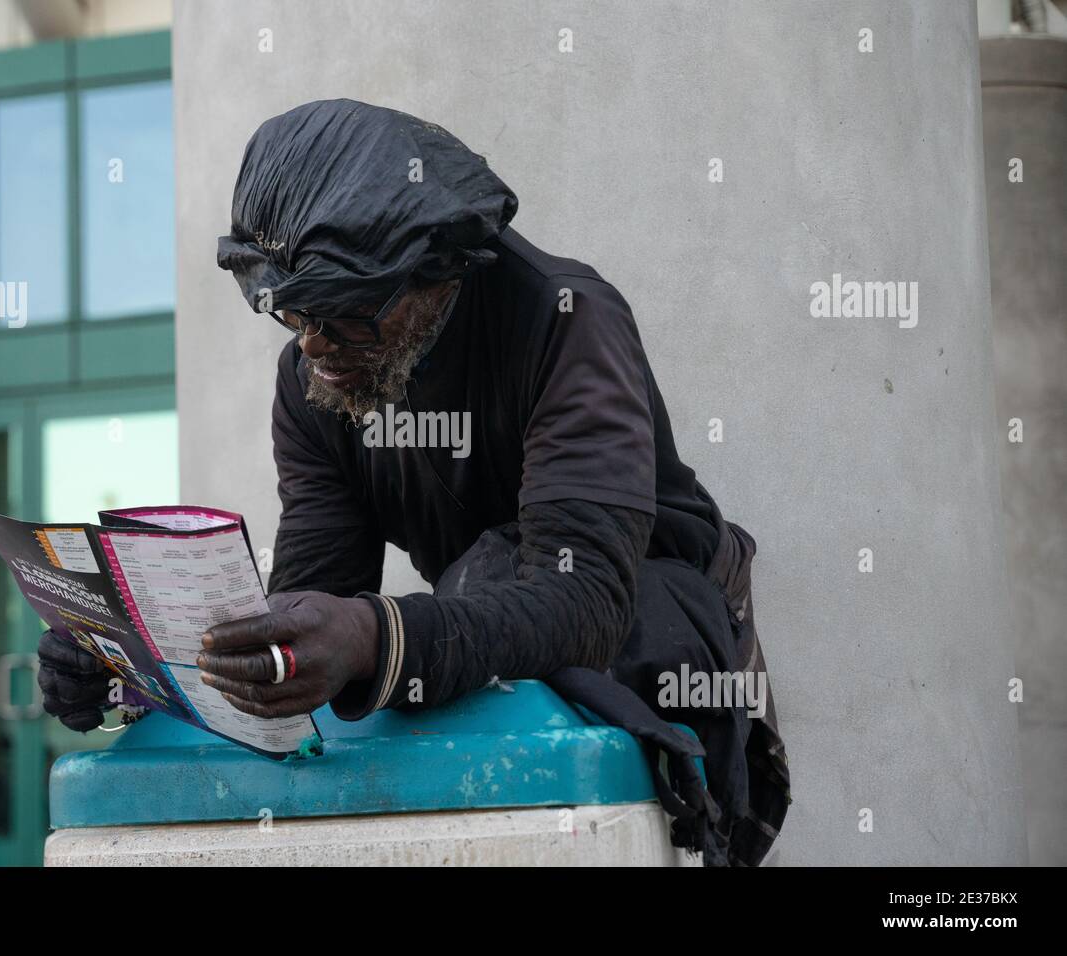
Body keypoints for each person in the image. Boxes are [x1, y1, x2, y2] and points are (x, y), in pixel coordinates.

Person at [38, 99, 789, 865]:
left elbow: (587, 601)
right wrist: (137, 668)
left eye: (345, 315)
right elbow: (317, 593)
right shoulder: (309, 383)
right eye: (292, 313)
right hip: (486, 618)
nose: (315, 345)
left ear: (439, 272)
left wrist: (372, 636)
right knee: (449, 600)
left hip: (654, 617)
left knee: (485, 573)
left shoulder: (568, 320)